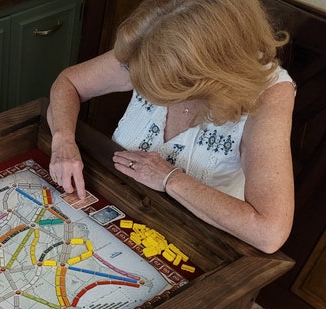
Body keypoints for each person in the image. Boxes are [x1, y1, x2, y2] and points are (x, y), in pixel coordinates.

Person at [46, 0, 296, 254]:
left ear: (202, 77)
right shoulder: (151, 45)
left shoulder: (270, 95)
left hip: (195, 243)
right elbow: (69, 83)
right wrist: (63, 141)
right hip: (117, 209)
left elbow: (269, 233)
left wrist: (169, 178)